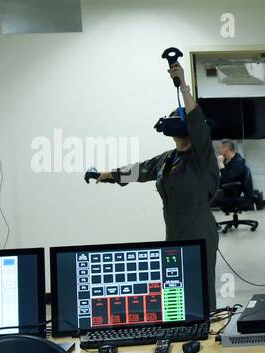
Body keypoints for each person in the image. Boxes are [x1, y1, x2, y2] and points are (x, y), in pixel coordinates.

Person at [90, 61, 220, 312]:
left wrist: (182, 84)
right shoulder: (168, 159)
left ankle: (205, 333)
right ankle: (180, 329)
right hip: (174, 233)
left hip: (200, 233)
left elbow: (197, 122)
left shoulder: (202, 158)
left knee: (201, 289)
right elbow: (140, 170)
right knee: (174, 288)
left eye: (179, 118)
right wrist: (106, 174)